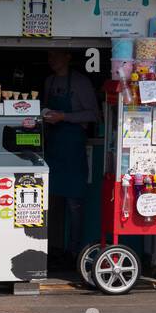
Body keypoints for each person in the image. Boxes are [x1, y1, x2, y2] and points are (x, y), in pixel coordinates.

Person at [43, 50, 100, 265]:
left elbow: (94, 114)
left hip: (73, 150)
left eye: (56, 55)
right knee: (49, 203)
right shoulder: (49, 81)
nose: (52, 59)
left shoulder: (80, 82)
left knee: (74, 204)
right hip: (53, 148)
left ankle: (74, 252)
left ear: (67, 57)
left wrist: (64, 116)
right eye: (50, 56)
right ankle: (48, 249)